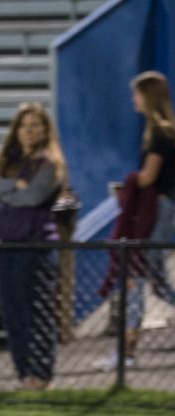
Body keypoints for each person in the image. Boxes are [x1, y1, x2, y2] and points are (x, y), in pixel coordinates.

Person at [95, 71, 175, 372]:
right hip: (163, 210)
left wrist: (128, 185)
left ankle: (126, 354)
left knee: (137, 276)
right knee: (154, 279)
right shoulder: (165, 131)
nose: (134, 100)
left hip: (156, 211)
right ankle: (126, 351)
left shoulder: (158, 133)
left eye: (137, 95)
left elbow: (148, 177)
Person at [0, 103, 66, 390]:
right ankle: (23, 374)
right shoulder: (6, 161)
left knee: (37, 313)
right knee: (13, 312)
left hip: (35, 246)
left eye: (35, 125)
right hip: (6, 243)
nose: (29, 131)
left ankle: (41, 375)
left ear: (45, 130)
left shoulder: (49, 163)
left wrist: (9, 192)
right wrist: (13, 187)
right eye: (24, 125)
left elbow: (31, 197)